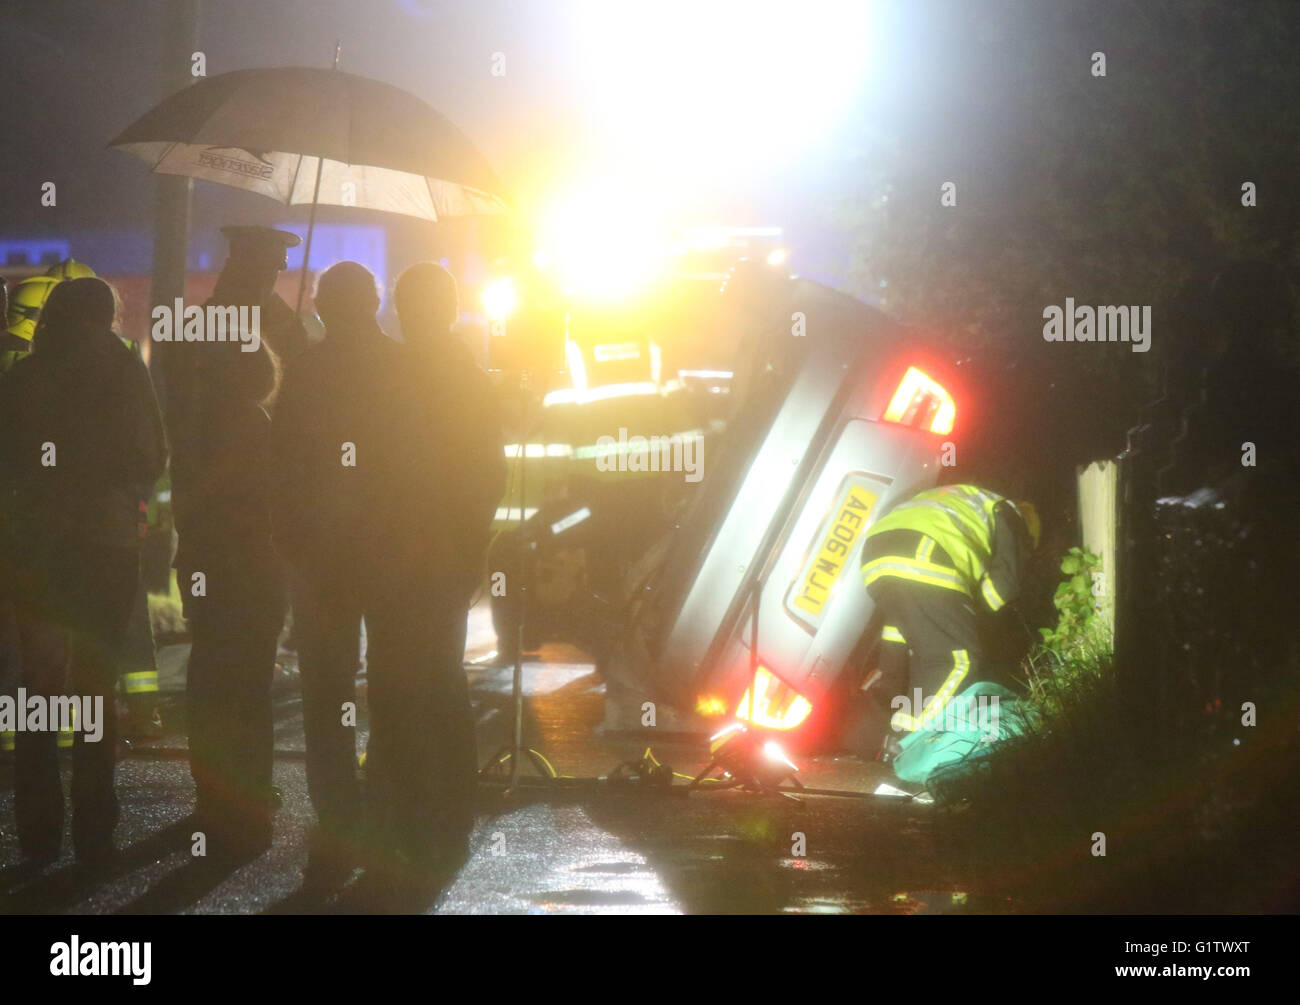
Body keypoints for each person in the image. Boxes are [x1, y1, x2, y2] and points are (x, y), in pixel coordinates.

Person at [0, 277, 166, 864]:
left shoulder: (24, 375)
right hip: (107, 543)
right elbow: (153, 454)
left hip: (36, 547)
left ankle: (38, 831)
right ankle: (95, 825)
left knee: (40, 686)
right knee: (95, 682)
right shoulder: (124, 370)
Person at [271, 261, 407, 893]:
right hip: (389, 553)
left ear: (323, 306)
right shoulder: (403, 371)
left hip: (323, 557)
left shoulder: (306, 372)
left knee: (329, 691)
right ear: (377, 304)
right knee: (392, 681)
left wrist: (292, 540)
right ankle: (385, 811)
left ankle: (338, 816)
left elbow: (286, 465)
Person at [164, 232, 290, 860]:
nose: (277, 277)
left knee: (213, 667)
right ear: (259, 268)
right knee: (248, 678)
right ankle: (247, 799)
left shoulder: (193, 328)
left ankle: (213, 796)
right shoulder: (263, 332)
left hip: (205, 541)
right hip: (254, 549)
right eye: (275, 267)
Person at [384, 263, 504, 874]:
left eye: (408, 307)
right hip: (438, 557)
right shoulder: (466, 378)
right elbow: (487, 476)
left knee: (411, 682)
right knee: (437, 680)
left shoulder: (406, 377)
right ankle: (444, 812)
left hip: (409, 558)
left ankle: (420, 810)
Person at [860, 483, 1039, 748]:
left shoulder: (969, 498)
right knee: (957, 659)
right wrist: (969, 617)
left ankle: (866, 735)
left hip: (875, 555)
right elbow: (1004, 587)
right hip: (925, 555)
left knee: (899, 653)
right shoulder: (1011, 515)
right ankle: (908, 744)